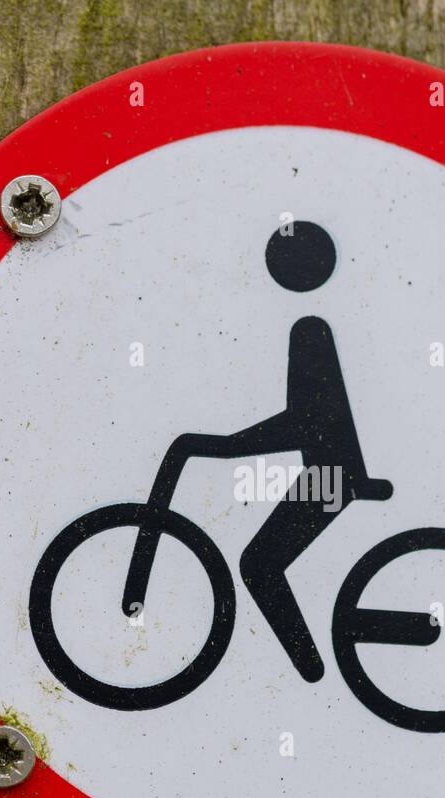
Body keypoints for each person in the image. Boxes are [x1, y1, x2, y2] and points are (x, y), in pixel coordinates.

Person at [123, 221, 392, 682]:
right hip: (329, 469)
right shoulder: (308, 327)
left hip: (332, 476)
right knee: (261, 559)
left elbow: (307, 422)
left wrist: (225, 447)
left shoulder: (310, 330)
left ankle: (310, 669)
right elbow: (309, 420)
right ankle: (321, 657)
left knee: (258, 564)